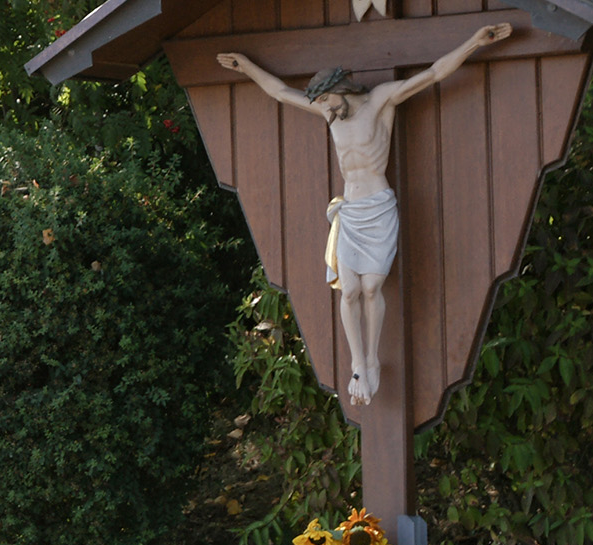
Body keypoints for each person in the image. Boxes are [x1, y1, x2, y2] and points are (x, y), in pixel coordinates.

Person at [218, 22, 512, 406]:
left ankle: (372, 359)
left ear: (340, 90)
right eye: (320, 103)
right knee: (350, 289)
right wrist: (246, 67)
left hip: (379, 206)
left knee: (371, 287)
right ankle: (359, 365)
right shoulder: (330, 115)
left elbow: (435, 73)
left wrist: (475, 40)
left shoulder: (380, 102)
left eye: (325, 100)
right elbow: (279, 92)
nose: (322, 108)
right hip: (351, 211)